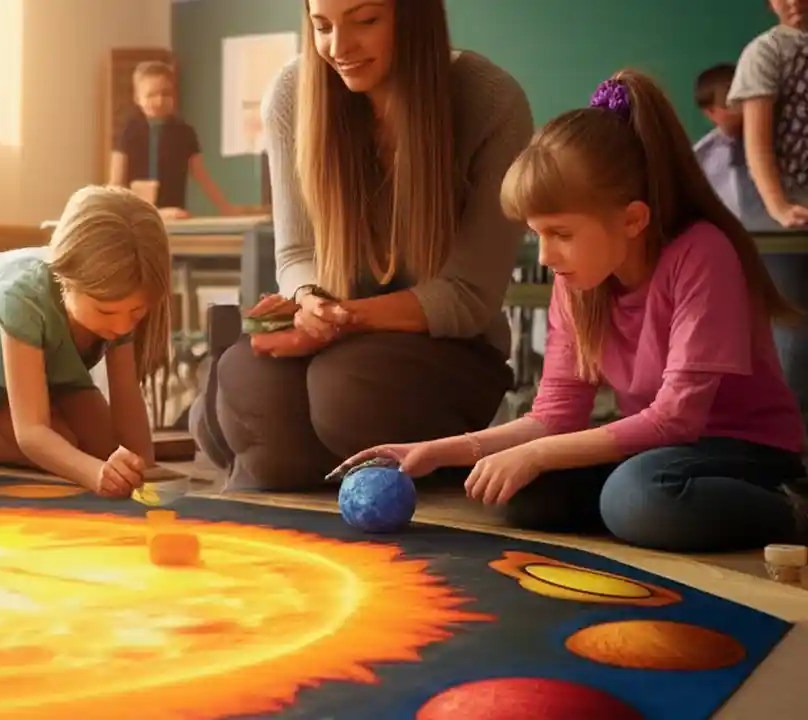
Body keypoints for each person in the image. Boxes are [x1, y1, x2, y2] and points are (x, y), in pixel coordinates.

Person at [340, 71, 808, 553]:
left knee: (637, 498)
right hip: (660, 451)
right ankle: (634, 505)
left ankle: (792, 508)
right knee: (524, 495)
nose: (544, 256)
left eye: (560, 234)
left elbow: (676, 419)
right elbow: (556, 415)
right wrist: (437, 452)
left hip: (747, 453)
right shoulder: (578, 282)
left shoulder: (701, 254)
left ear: (632, 219)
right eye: (536, 234)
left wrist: (539, 454)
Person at [190, 0, 533, 491]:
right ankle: (268, 443)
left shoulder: (491, 100)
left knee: (342, 391)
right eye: (321, 26)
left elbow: (468, 296)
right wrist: (310, 301)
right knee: (248, 376)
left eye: (365, 21)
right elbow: (295, 256)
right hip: (333, 340)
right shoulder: (291, 93)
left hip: (449, 349)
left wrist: (342, 319)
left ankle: (259, 439)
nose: (338, 48)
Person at [0, 185, 171, 498]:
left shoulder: (119, 293)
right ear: (67, 281)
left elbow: (127, 393)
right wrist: (95, 474)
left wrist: (143, 465)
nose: (122, 325)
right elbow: (32, 433)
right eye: (106, 311)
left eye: (137, 313)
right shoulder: (22, 298)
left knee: (105, 447)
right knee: (63, 446)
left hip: (50, 357)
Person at [727, 0, 808, 422]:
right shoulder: (766, 51)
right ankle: (789, 452)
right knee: (794, 334)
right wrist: (779, 207)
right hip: (779, 224)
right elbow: (756, 142)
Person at [109, 61, 237, 219]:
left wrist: (227, 210)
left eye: (166, 93)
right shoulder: (126, 131)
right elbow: (115, 181)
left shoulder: (184, 132)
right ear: (137, 98)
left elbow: (202, 176)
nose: (159, 101)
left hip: (174, 216)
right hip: (136, 217)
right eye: (151, 95)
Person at [692, 63, 776, 229]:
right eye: (732, 104)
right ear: (710, 112)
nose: (744, 110)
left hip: (786, 240)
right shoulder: (700, 159)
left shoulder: (784, 144)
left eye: (747, 100)